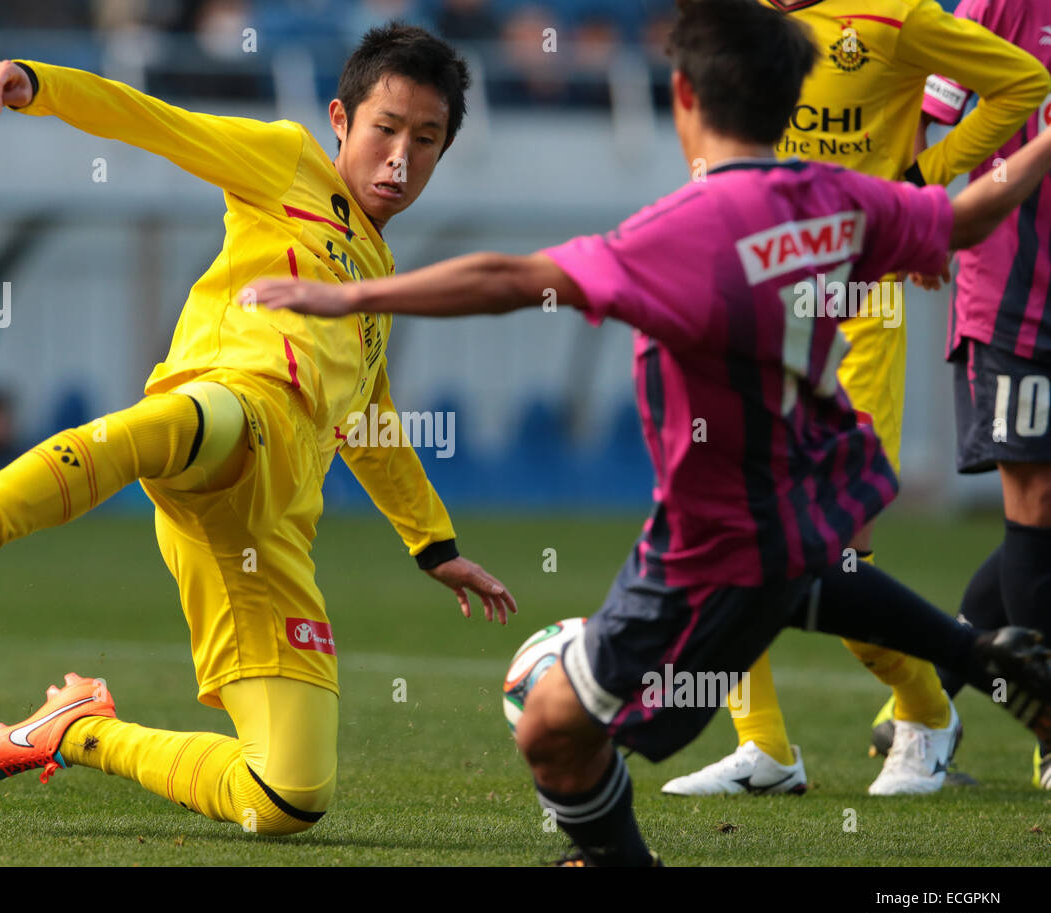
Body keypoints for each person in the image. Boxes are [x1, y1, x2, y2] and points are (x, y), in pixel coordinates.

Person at [248, 0, 1051, 865]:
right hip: (803, 510)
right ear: (792, 107)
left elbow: (510, 277)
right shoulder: (845, 202)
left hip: (699, 553)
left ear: (682, 99)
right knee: (806, 572)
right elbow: (970, 215)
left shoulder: (683, 231)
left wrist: (352, 295)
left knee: (552, 731)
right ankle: (978, 653)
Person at [0, 22, 516, 837]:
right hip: (232, 408)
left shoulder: (376, 287)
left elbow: (373, 424)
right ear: (341, 119)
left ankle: (76, 728)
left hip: (271, 533)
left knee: (288, 800)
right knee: (195, 422)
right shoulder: (286, 162)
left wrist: (437, 549)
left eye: (426, 139)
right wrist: (38, 82)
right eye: (386, 129)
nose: (400, 159)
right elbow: (155, 119)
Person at [659, 0, 1051, 800]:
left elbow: (1023, 82)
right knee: (721, 515)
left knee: (835, 547)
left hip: (860, 310)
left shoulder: (894, 16)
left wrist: (921, 191)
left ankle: (926, 708)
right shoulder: (733, 22)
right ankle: (763, 746)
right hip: (754, 296)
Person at [914, 0, 1051, 789]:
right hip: (1017, 296)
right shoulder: (1001, 2)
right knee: (1033, 499)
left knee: (1042, 521)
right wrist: (919, 217)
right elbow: (927, 116)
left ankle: (926, 696)